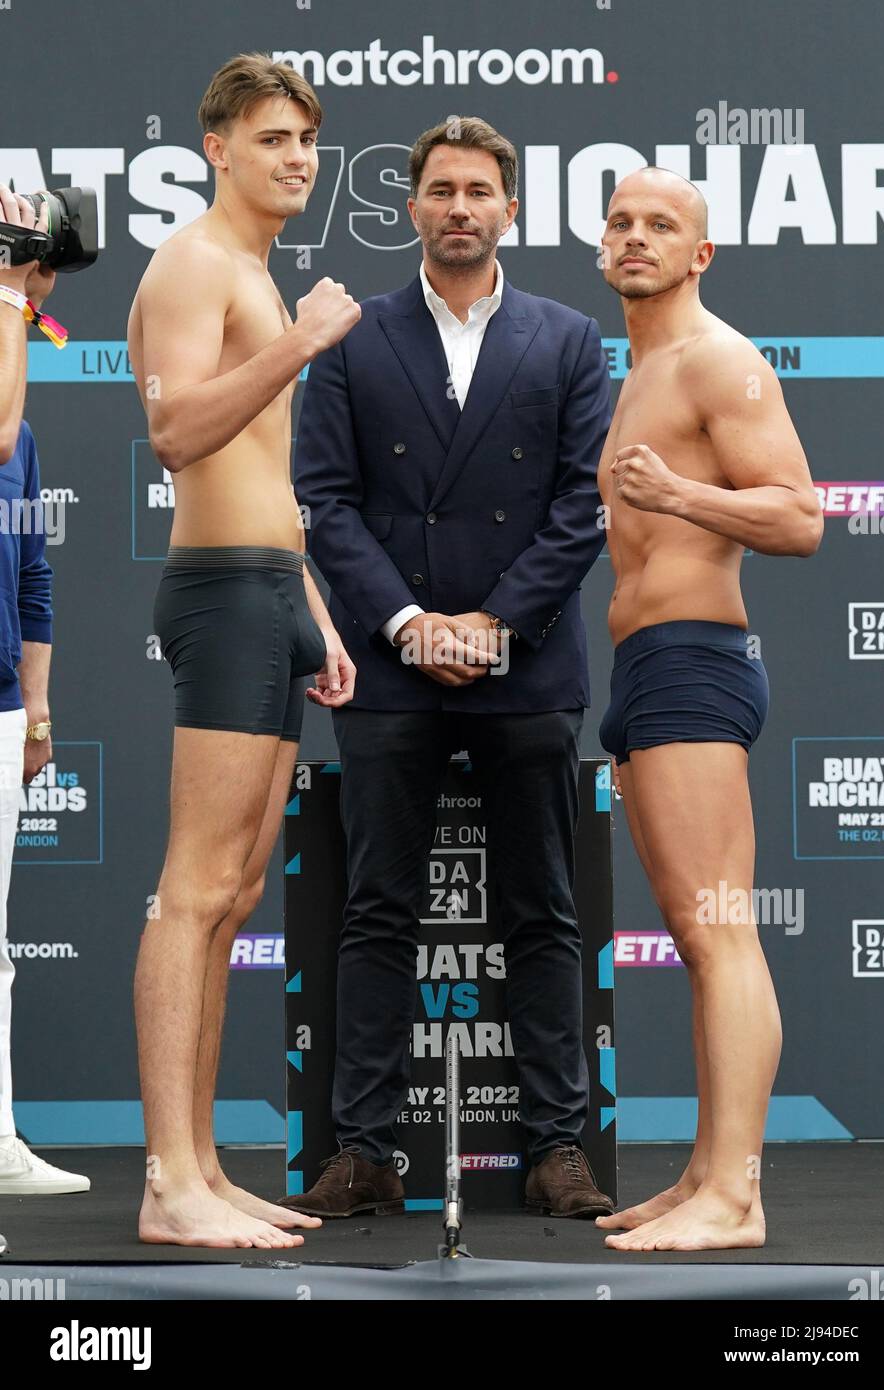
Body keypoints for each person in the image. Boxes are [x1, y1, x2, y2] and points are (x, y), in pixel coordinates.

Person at [285, 117, 615, 1221]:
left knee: (544, 911)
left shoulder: (568, 338)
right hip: (393, 670)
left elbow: (583, 506)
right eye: (441, 189)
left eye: (480, 189)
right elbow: (323, 502)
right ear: (413, 208)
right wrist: (409, 621)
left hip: (526, 672)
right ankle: (364, 1150)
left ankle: (558, 1145)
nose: (461, 206)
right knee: (378, 909)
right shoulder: (353, 336)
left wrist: (493, 625)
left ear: (510, 207)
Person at [126, 53, 360, 1249]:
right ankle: (169, 1178)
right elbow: (174, 432)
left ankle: (205, 1167)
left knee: (235, 896)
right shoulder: (193, 264)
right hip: (216, 593)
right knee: (192, 889)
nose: (296, 160)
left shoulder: (259, 280)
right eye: (272, 139)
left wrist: (313, 604)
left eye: (306, 141)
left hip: (271, 588)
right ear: (216, 146)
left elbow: (263, 476)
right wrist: (302, 344)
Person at [594, 167, 823, 1251]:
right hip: (644, 669)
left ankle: (737, 1192)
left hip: (696, 658)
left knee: (723, 925)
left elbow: (799, 516)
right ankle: (703, 1175)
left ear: (702, 254)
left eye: (662, 226)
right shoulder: (637, 372)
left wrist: (680, 496)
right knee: (697, 932)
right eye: (623, 222)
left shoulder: (718, 359)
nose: (636, 237)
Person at [0, 183, 88, 1195]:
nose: (45, 288)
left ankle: (2, 1138)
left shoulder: (21, 434)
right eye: (35, 267)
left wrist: (38, 708)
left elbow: (31, 572)